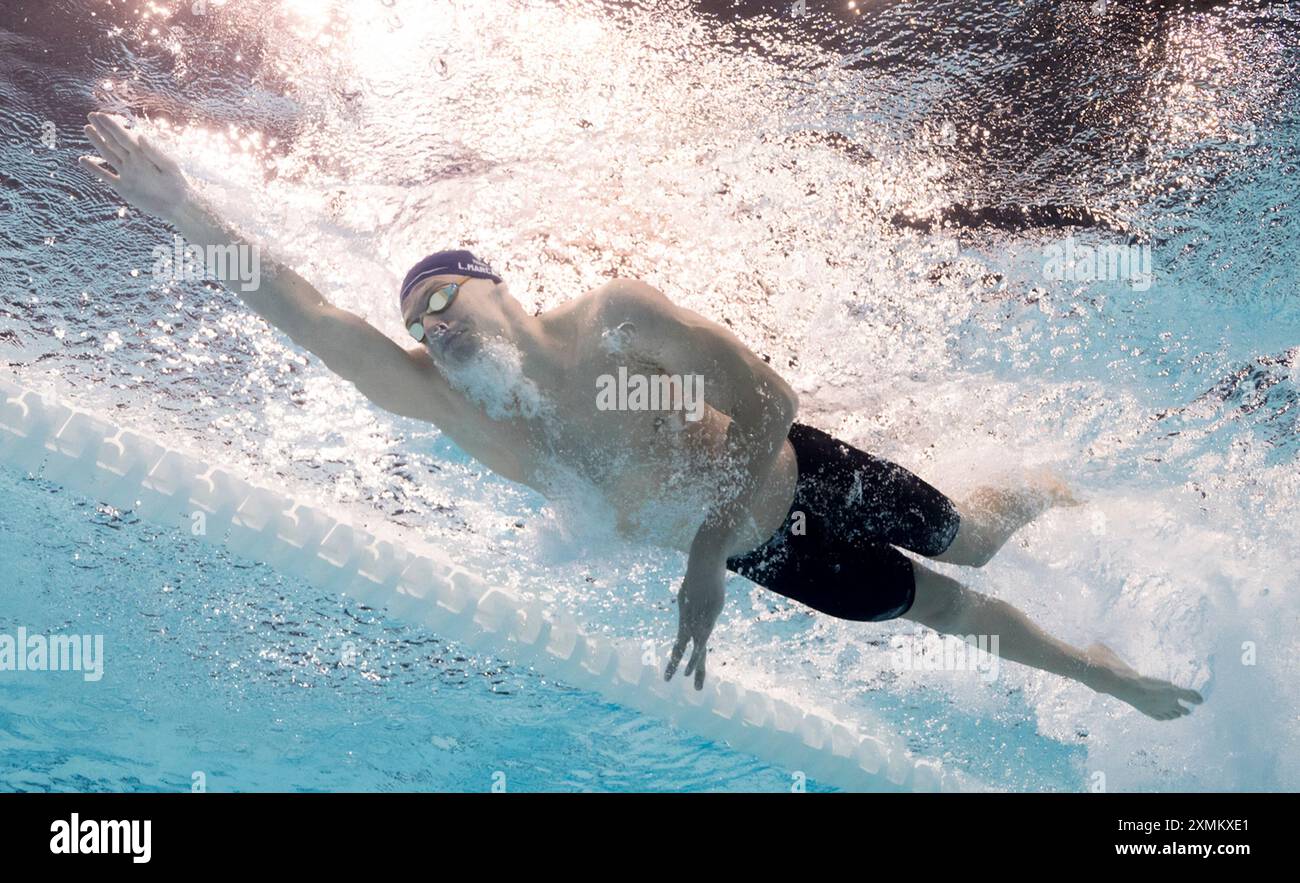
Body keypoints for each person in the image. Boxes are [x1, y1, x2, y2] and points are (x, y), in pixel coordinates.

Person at [80, 112, 1203, 720]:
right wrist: (187, 211)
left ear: (493, 285)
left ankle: (1052, 488)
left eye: (442, 301)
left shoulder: (610, 321)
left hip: (802, 481)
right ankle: (1105, 672)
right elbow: (314, 317)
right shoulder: (456, 411)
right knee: (946, 614)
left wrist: (707, 549)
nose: (430, 328)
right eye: (417, 324)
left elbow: (772, 399)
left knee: (981, 537)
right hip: (776, 562)